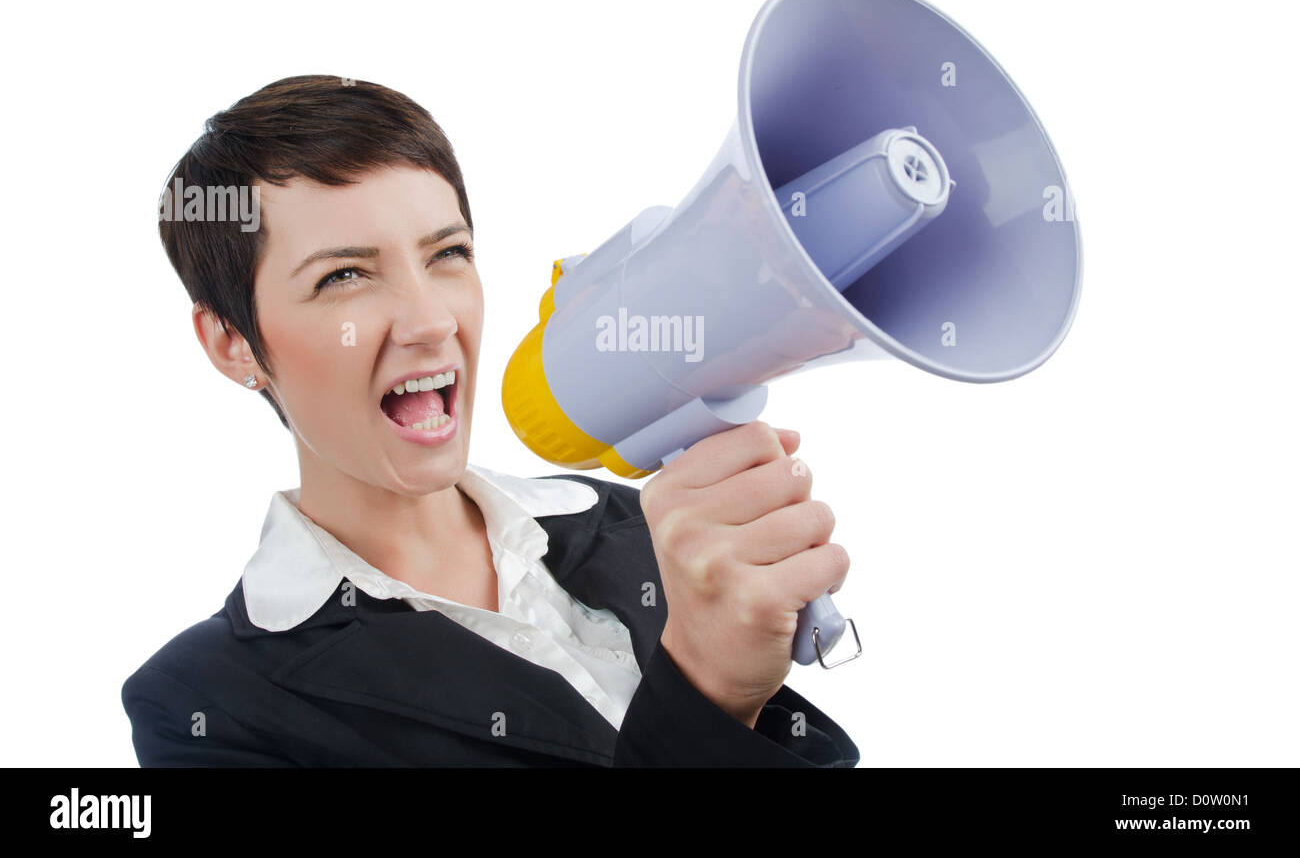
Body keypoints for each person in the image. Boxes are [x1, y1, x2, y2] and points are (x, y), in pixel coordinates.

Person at [122, 75, 858, 766]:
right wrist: (707, 692)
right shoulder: (206, 704)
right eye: (343, 275)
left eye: (448, 253)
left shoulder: (640, 526)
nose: (431, 319)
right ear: (234, 342)